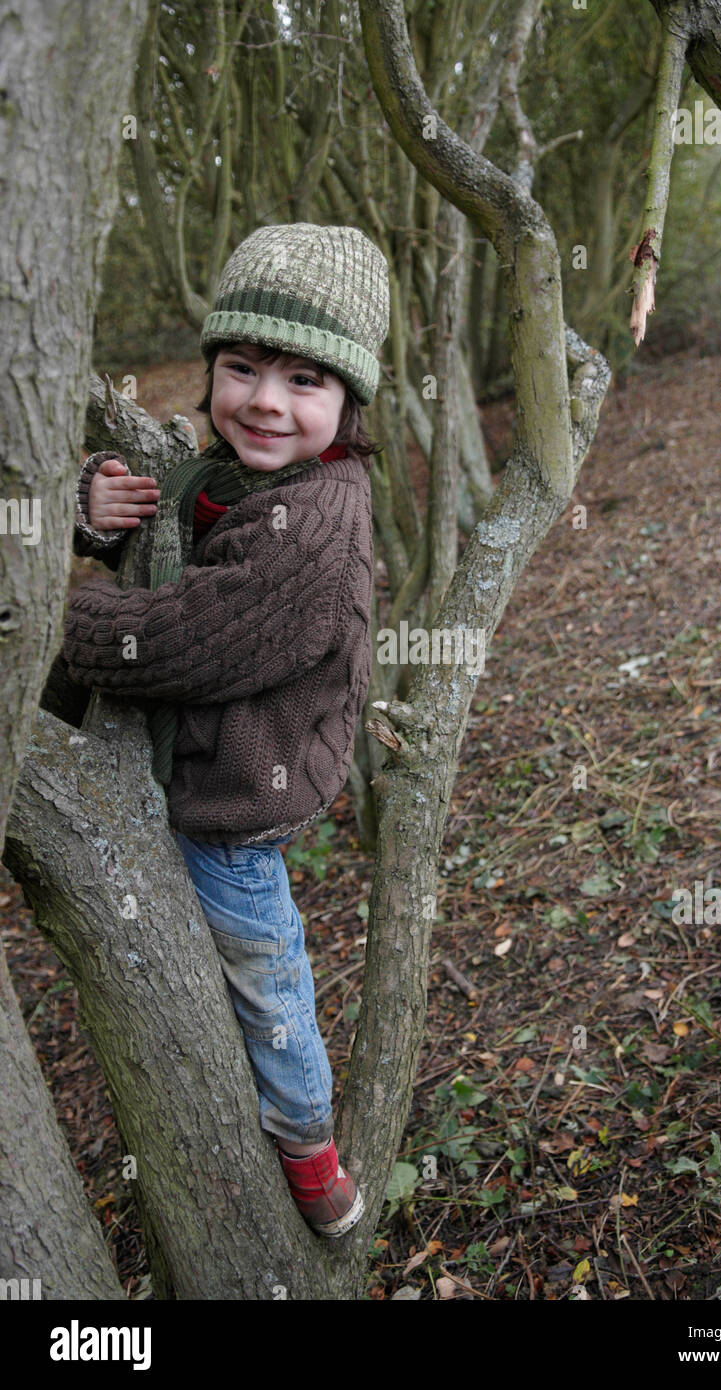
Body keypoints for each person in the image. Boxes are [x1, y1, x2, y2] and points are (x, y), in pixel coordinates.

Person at [62, 223, 390, 1238]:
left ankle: (306, 1138)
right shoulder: (227, 469)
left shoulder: (324, 518)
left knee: (262, 964)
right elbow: (167, 531)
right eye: (241, 367)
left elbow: (188, 639)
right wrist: (91, 513)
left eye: (302, 381)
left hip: (237, 797)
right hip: (185, 763)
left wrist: (47, 615)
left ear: (345, 405)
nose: (262, 399)